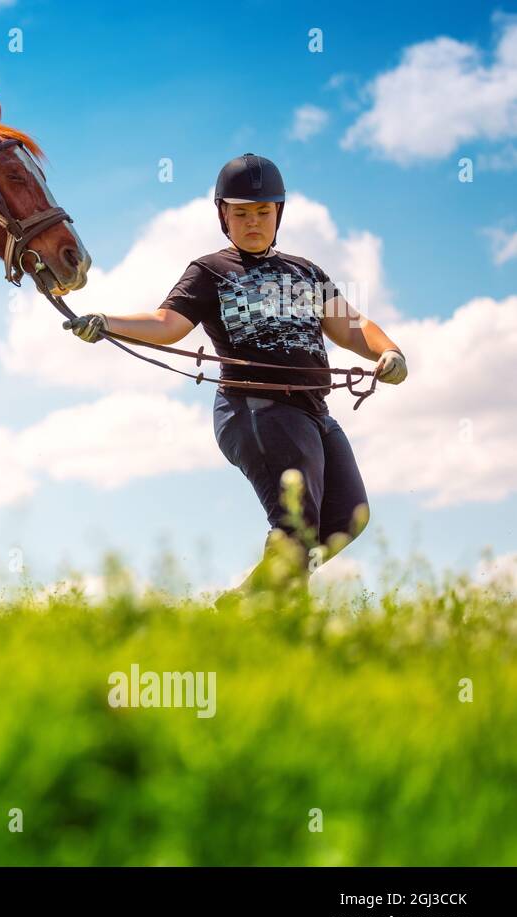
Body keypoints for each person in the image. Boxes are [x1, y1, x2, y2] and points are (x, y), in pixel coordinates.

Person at [67, 153, 408, 594]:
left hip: (314, 411)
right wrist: (107, 322)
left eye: (263, 212)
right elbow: (167, 324)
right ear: (223, 214)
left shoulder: (307, 272)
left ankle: (249, 603)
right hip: (255, 409)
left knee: (347, 516)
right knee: (298, 520)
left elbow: (353, 326)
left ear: (279, 214)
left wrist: (390, 351)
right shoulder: (210, 271)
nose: (253, 222)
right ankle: (273, 620)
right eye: (241, 212)